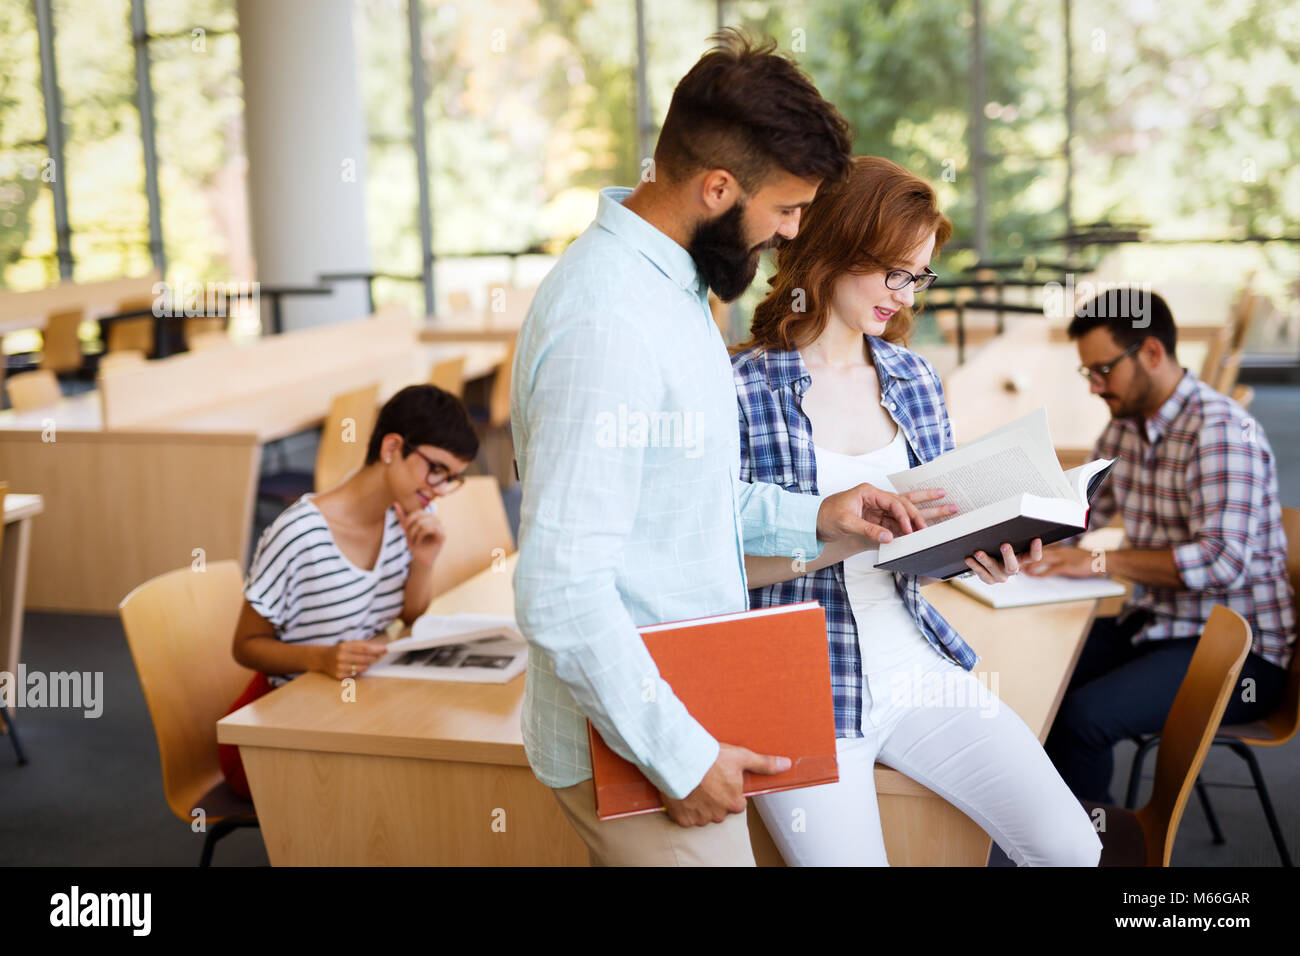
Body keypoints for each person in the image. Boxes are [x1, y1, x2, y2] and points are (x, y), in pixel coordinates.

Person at [510, 31, 929, 867]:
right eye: (785, 209)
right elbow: (559, 588)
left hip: (680, 695)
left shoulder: (672, 291)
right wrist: (681, 756)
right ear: (716, 188)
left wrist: (820, 514)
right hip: (637, 739)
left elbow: (680, 499)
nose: (791, 232)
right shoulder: (611, 323)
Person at [730, 155, 1100, 866]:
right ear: (834, 247)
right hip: (795, 690)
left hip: (913, 663)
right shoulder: (740, 388)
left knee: (1071, 849)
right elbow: (716, 570)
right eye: (892, 271)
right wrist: (845, 533)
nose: (903, 297)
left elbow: (927, 540)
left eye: (918, 275)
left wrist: (984, 552)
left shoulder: (915, 377)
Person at [1025, 289, 1295, 803]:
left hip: (1240, 654)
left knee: (1082, 717)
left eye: (1102, 371)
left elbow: (1222, 564)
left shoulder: (1220, 432)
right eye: (1088, 375)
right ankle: (1044, 837)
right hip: (1158, 623)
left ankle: (1086, 851)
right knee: (1040, 682)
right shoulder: (1126, 424)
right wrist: (999, 532)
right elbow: (1081, 510)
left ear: (1151, 353)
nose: (1094, 388)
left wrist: (1096, 562)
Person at [219, 384, 479, 798]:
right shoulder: (299, 534)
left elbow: (411, 617)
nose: (440, 489)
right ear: (393, 447)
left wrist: (422, 562)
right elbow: (245, 646)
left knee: (447, 752)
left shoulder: (407, 516)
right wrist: (321, 657)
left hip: (350, 709)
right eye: (437, 470)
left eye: (451, 479)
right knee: (410, 783)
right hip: (274, 732)